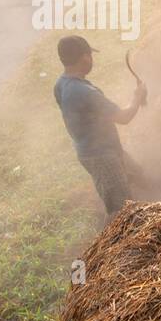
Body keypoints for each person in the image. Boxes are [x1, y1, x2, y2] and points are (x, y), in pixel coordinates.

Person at [53, 35, 147, 218]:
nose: (92, 60)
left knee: (138, 175)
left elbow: (85, 114)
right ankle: (122, 241)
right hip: (102, 157)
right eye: (90, 55)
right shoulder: (84, 92)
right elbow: (124, 117)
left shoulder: (61, 84)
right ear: (85, 58)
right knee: (123, 211)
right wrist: (138, 96)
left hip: (100, 149)